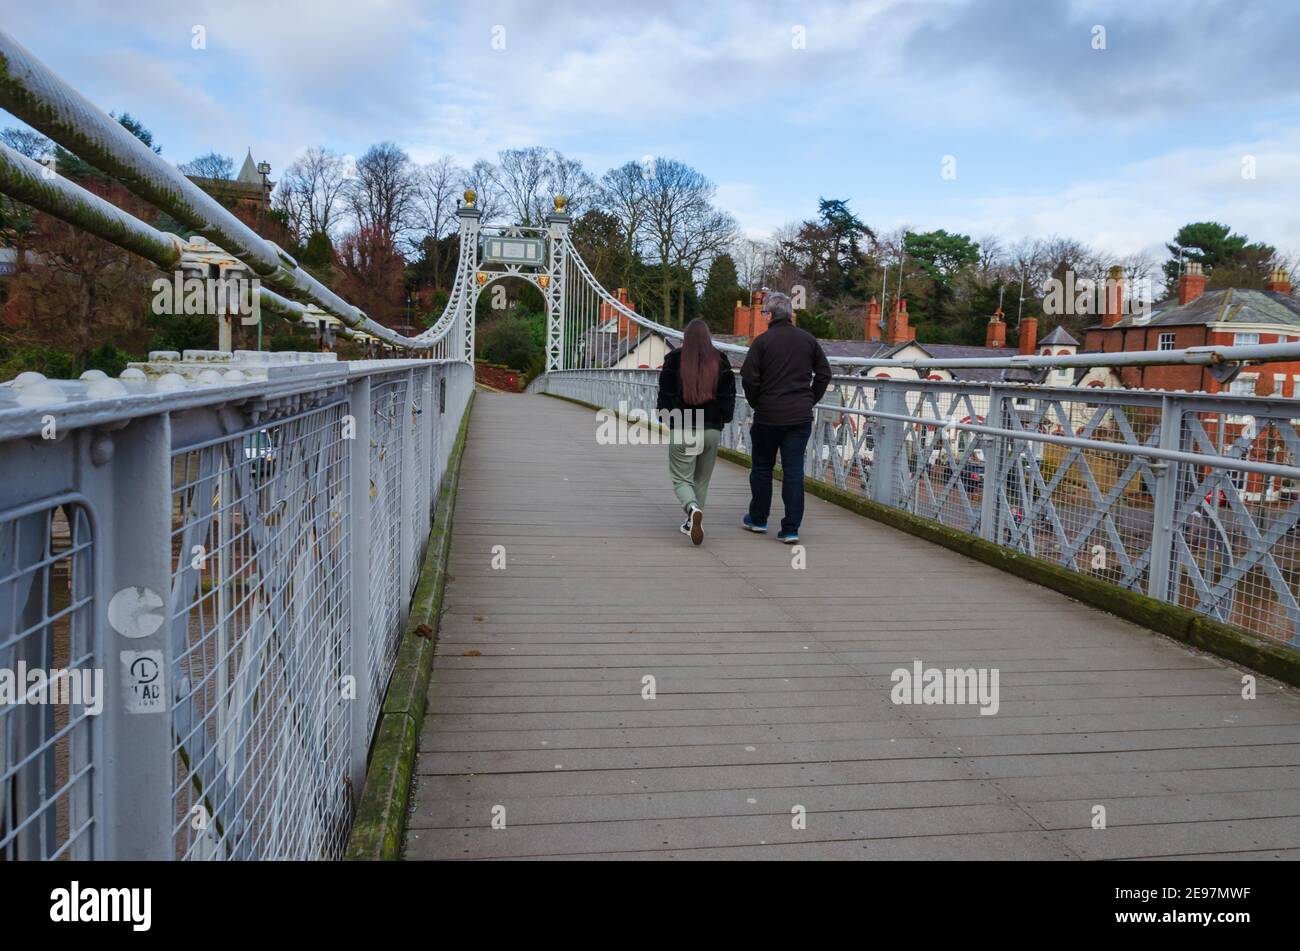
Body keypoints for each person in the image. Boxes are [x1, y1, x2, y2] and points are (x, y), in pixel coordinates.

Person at [739, 290, 832, 544]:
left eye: (763, 313)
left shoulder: (761, 343)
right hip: (799, 417)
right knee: (793, 472)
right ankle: (791, 528)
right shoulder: (808, 340)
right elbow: (824, 374)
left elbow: (748, 378)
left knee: (761, 467)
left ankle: (758, 519)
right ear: (790, 314)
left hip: (768, 415)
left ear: (770, 315)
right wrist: (809, 399)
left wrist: (758, 402)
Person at [656, 319, 736, 545]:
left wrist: (666, 417)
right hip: (710, 429)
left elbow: (664, 397)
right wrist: (722, 418)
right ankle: (692, 522)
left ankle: (692, 510)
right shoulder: (721, 361)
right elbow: (728, 399)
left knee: (681, 479)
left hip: (683, 427)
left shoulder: (673, 360)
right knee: (701, 479)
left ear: (686, 337)